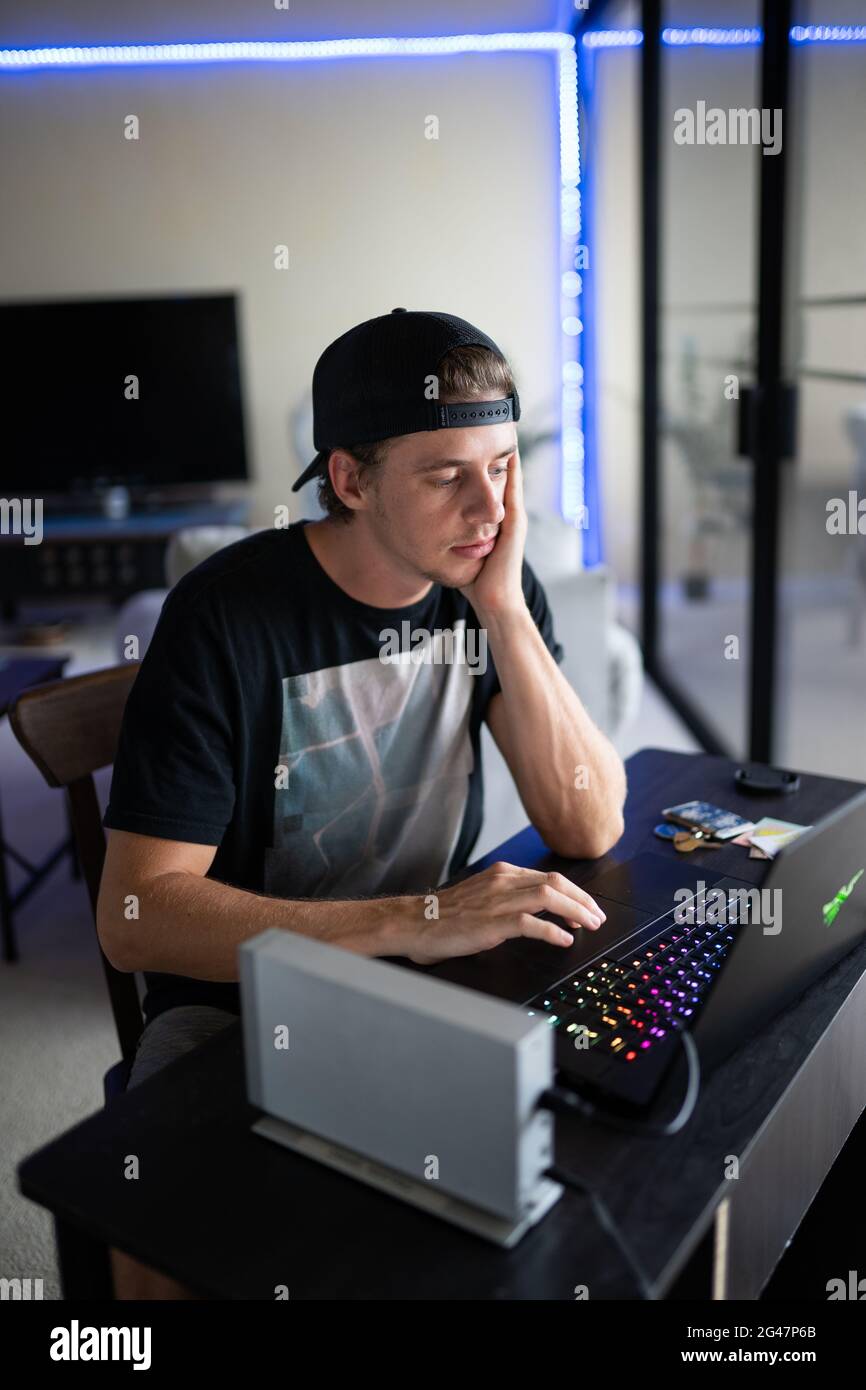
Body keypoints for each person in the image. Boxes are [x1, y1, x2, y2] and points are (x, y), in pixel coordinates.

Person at [97, 307, 626, 1297]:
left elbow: (587, 822)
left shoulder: (490, 581)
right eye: (445, 475)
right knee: (170, 1230)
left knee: (577, 1194)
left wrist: (504, 608)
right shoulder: (224, 616)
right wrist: (415, 919)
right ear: (348, 479)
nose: (491, 509)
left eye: (504, 465)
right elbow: (136, 917)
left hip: (436, 977)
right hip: (236, 1003)